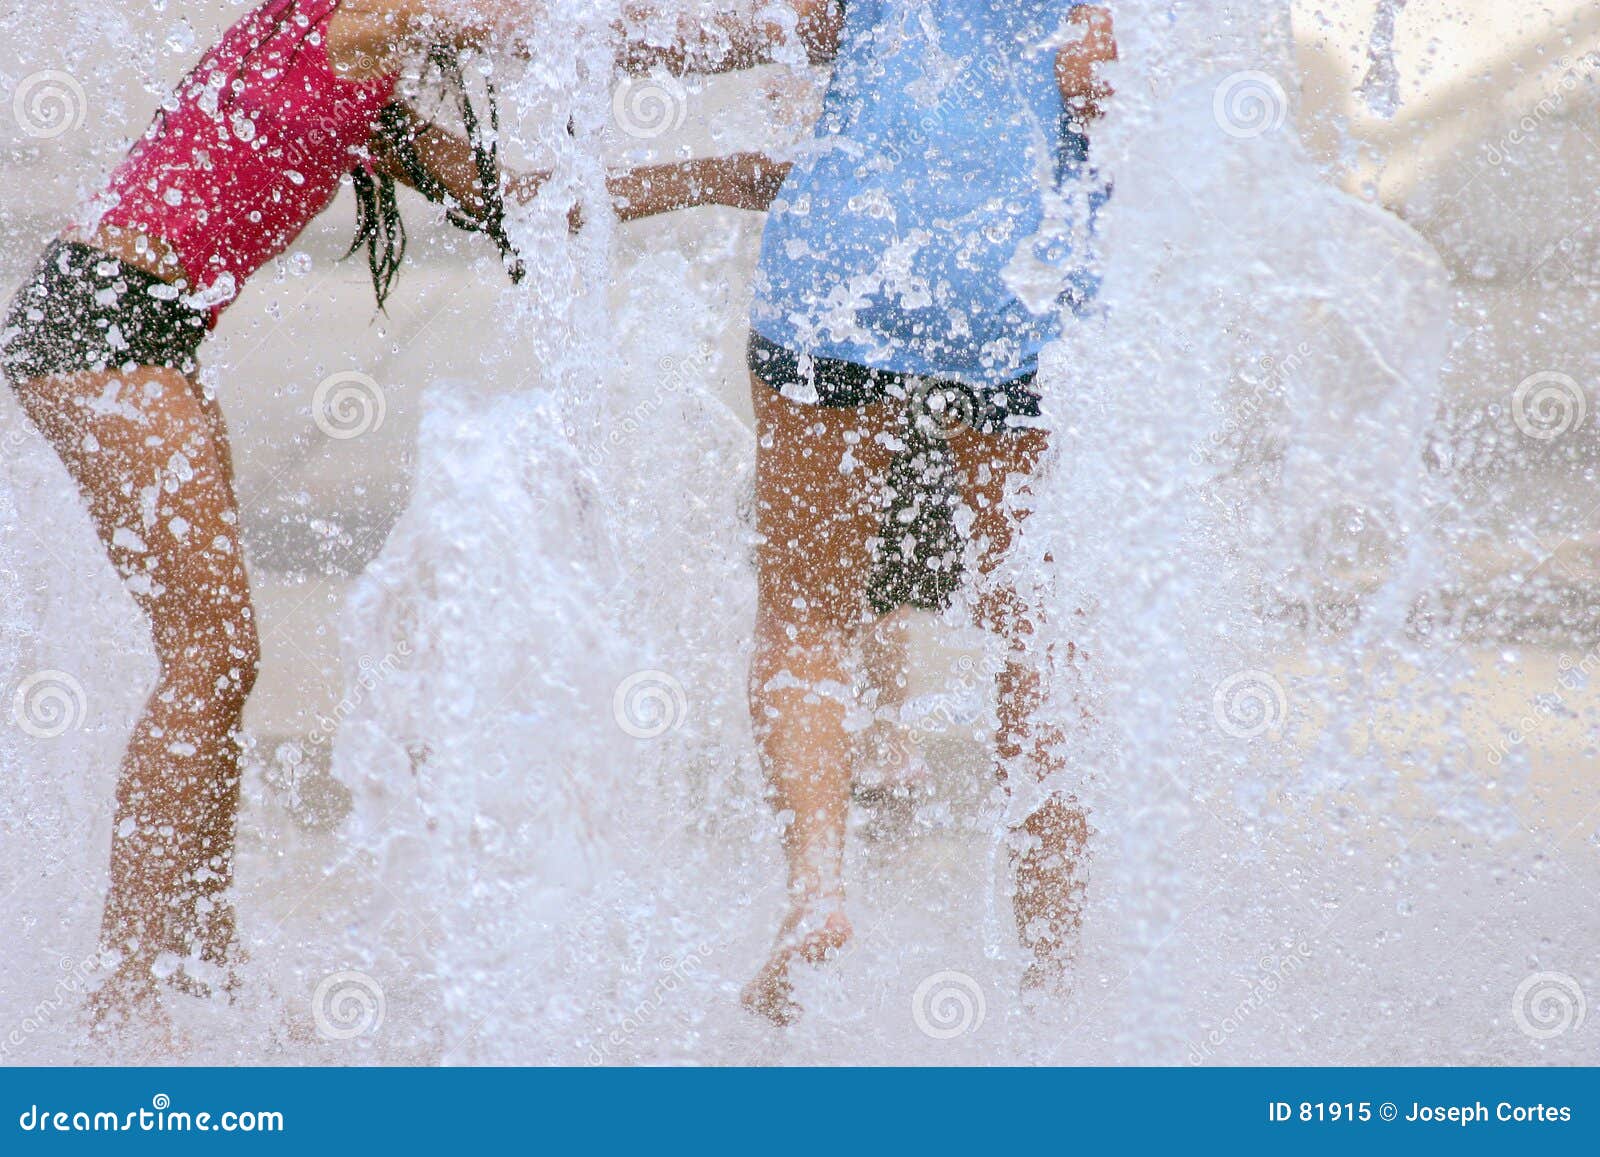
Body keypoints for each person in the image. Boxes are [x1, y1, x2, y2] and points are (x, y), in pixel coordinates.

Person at [1, 0, 786, 1027]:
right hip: (102, 322)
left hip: (145, 328)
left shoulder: (364, 86)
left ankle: (192, 946)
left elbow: (519, 197)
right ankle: (130, 976)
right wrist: (795, 26)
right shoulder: (362, 15)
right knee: (211, 656)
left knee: (220, 659)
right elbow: (567, 24)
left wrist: (720, 177)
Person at [716, 0, 1118, 1024]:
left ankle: (817, 889)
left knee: (806, 605)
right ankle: (1057, 979)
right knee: (1036, 633)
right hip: (1018, 276)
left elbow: (795, 23)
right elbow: (1098, 75)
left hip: (843, 261)